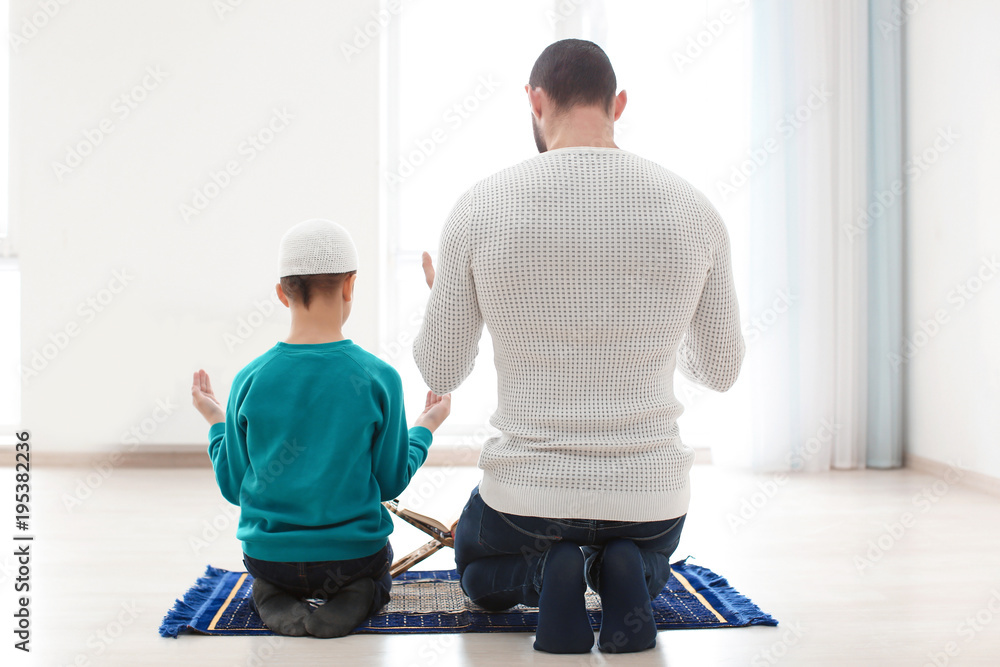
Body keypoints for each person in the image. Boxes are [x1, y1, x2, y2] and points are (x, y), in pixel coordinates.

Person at [413, 39, 744, 654]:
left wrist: (445, 302)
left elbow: (442, 367)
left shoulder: (479, 207)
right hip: (649, 494)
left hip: (526, 497)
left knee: (477, 569)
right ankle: (627, 569)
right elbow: (721, 370)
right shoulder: (695, 211)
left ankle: (548, 573)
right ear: (619, 104)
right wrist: (664, 334)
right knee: (646, 552)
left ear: (535, 101)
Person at [191, 219, 451, 638]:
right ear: (350, 286)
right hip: (352, 559)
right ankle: (358, 594)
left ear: (282, 293)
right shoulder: (378, 377)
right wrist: (426, 426)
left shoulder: (249, 379)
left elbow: (234, 485)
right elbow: (389, 482)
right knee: (374, 574)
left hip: (270, 558)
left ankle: (272, 592)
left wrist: (216, 422)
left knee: (268, 575)